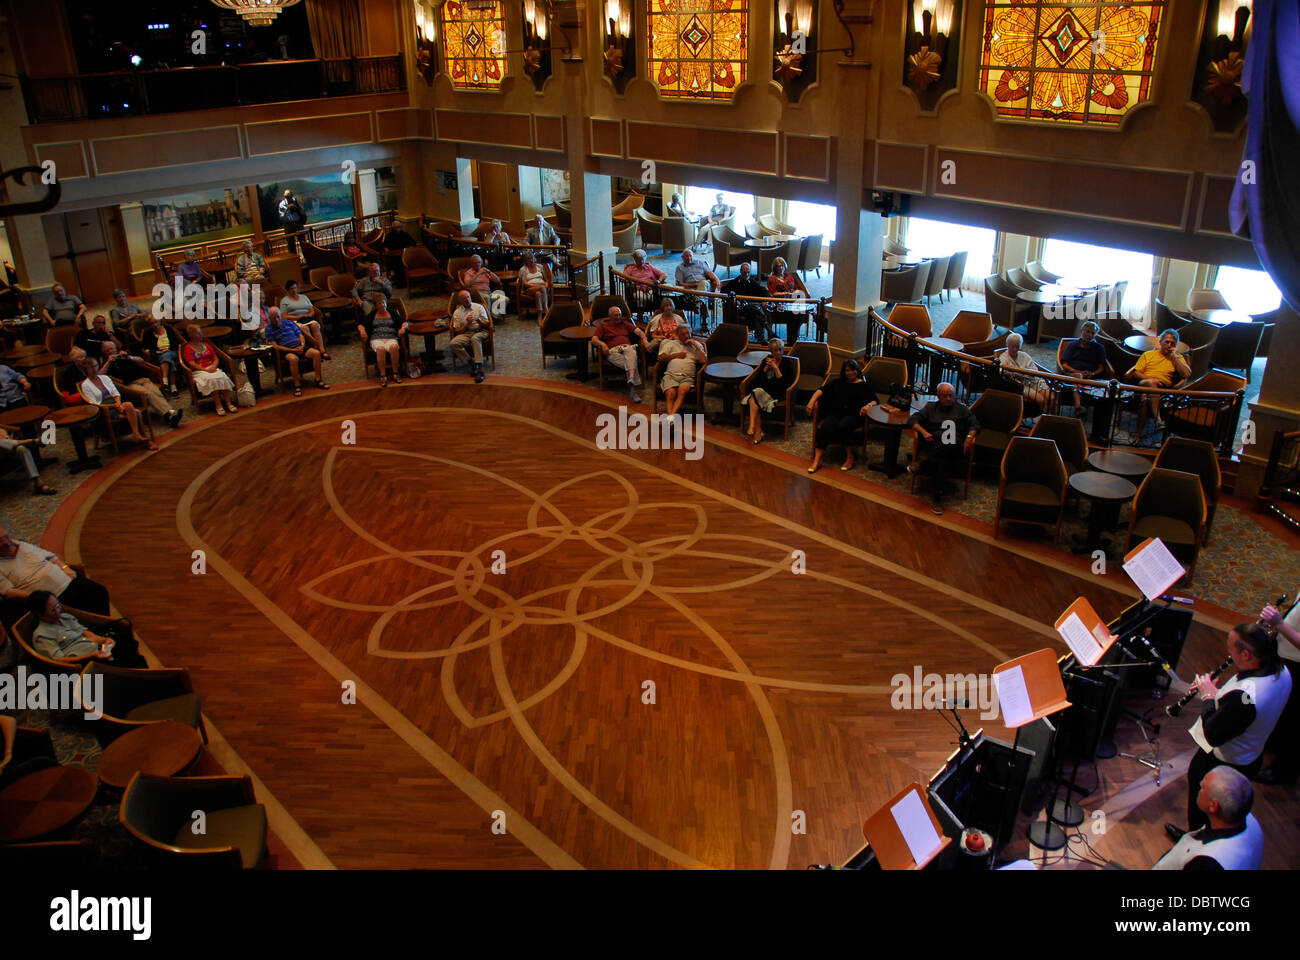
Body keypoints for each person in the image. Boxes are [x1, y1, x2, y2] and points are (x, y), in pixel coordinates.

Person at [1166, 622, 1291, 840]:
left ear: (1246, 654)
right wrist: (1218, 693)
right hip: (1252, 754)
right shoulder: (1282, 670)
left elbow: (1213, 733)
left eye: (1230, 648)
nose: (1228, 652)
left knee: (1205, 809)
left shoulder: (1246, 698)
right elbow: (1240, 712)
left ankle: (1195, 840)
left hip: (1224, 762)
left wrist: (1207, 696)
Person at [1153, 767, 1263, 870]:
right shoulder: (1247, 819)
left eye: (1203, 788)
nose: (1199, 785)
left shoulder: (1207, 862)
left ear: (1213, 806)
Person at [0, 527, 111, 626]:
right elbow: (8, 592)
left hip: (67, 579)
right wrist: (37, 595)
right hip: (52, 598)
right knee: (84, 613)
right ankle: (98, 630)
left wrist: (65, 568)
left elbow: (51, 557)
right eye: (1, 540)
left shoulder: (21, 545)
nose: (7, 542)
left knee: (99, 592)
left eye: (6, 536)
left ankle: (105, 626)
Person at [907, 381, 978, 515]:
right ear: (939, 396)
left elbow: (974, 424)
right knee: (941, 461)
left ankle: (923, 464)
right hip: (936, 443)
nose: (949, 399)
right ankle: (937, 497)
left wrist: (969, 438)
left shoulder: (961, 408)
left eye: (951, 395)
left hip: (956, 443)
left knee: (946, 447)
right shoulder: (930, 408)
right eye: (945, 396)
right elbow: (912, 420)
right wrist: (924, 432)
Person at [26, 589, 145, 668]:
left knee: (126, 642)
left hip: (96, 649)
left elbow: (86, 633)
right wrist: (92, 655)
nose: (58, 611)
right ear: (40, 614)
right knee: (130, 660)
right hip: (84, 662)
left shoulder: (65, 618)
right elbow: (60, 660)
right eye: (52, 610)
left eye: (58, 605)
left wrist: (103, 640)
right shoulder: (42, 635)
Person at [1256, 600, 1300, 784]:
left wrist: (1279, 624)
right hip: (1286, 656)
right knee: (1280, 713)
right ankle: (1273, 747)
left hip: (1297, 664)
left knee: (1292, 722)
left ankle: (1283, 772)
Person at [806, 359, 873, 474]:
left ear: (857, 370)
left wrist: (868, 405)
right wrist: (811, 402)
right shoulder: (838, 382)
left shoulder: (863, 385)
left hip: (854, 415)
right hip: (836, 413)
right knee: (826, 426)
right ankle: (817, 460)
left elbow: (874, 400)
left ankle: (849, 457)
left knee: (844, 426)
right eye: (847, 370)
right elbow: (821, 390)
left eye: (853, 370)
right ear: (844, 372)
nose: (850, 373)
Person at [77, 356, 156, 449]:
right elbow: (93, 403)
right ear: (86, 370)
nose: (94, 369)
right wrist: (113, 405)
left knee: (128, 405)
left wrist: (118, 403)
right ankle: (145, 441)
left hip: (117, 405)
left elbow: (115, 393)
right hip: (104, 409)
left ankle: (138, 436)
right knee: (136, 412)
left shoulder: (104, 378)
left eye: (95, 366)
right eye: (91, 368)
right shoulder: (85, 385)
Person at [100, 341, 182, 429]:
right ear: (104, 352)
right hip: (129, 384)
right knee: (148, 393)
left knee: (155, 391)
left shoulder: (123, 355)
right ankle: (169, 413)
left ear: (115, 348)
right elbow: (100, 375)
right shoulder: (106, 362)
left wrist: (129, 357)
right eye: (107, 350)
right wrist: (108, 362)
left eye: (111, 349)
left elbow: (141, 360)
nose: (110, 351)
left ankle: (169, 415)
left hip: (143, 379)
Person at [1126, 328, 1191, 436]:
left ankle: (1137, 435)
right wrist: (1151, 380)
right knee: (1150, 384)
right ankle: (1157, 419)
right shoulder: (1148, 354)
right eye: (1167, 342)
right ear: (1161, 342)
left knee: (1145, 399)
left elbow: (1187, 374)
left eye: (1172, 344)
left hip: (1163, 388)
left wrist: (1176, 358)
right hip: (1144, 382)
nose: (1169, 345)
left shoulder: (1177, 358)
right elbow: (1137, 373)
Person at [742, 338, 796, 445]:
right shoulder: (766, 361)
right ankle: (758, 431)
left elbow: (785, 385)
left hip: (778, 393)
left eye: (780, 350)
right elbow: (758, 381)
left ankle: (753, 426)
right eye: (775, 350)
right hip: (764, 391)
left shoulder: (787, 363)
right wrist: (766, 368)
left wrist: (776, 368)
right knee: (756, 395)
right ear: (771, 351)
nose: (778, 353)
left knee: (754, 397)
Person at [266, 307, 328, 396]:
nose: (276, 319)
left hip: (299, 347)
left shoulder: (289, 322)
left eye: (278, 317)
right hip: (286, 351)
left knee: (316, 353)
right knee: (293, 359)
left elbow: (300, 335)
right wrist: (291, 350)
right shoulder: (269, 329)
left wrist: (302, 345)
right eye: (273, 318)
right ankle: (297, 385)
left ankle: (318, 380)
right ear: (270, 318)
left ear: (280, 316)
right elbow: (275, 345)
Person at [594, 305, 647, 403]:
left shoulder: (625, 323)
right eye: (615, 315)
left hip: (627, 348)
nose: (618, 317)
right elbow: (594, 339)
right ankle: (632, 380)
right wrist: (602, 344)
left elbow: (639, 332)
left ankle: (632, 389)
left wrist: (645, 340)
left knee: (630, 350)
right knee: (632, 362)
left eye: (619, 315)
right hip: (613, 351)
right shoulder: (603, 325)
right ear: (610, 316)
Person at [181, 325, 237, 416]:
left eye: (201, 332)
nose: (201, 334)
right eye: (198, 333)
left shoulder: (206, 345)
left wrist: (213, 366)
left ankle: (228, 403)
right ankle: (218, 405)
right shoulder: (188, 348)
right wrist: (205, 370)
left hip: (211, 368)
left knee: (222, 376)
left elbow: (215, 358)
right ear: (192, 335)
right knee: (211, 379)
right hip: (199, 371)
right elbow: (191, 364)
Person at [655, 325, 706, 419]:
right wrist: (676, 355)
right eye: (683, 334)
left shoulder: (697, 345)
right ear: (678, 335)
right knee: (670, 393)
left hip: (687, 375)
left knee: (683, 391)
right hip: (671, 374)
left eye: (688, 333)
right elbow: (660, 358)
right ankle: (671, 417)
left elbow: (703, 361)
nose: (686, 336)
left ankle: (670, 417)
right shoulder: (671, 344)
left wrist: (695, 345)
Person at [359, 295, 408, 388]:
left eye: (383, 302)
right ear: (376, 305)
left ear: (386, 303)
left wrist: (402, 328)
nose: (382, 305)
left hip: (391, 337)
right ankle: (383, 375)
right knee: (380, 349)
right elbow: (361, 325)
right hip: (376, 339)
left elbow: (404, 322)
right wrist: (362, 331)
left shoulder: (392, 313)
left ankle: (395, 373)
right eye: (379, 303)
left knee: (394, 347)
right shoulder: (372, 315)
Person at [998, 332, 1050, 410]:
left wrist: (1018, 374)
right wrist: (1020, 375)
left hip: (1033, 380)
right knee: (1041, 400)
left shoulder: (1024, 355)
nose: (1015, 349)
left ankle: (1048, 417)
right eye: (1012, 347)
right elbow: (1002, 372)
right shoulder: (1003, 358)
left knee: (1051, 398)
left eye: (1017, 346)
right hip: (1020, 385)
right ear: (1007, 345)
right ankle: (1045, 418)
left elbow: (1034, 371)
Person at [449, 289, 491, 383]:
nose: (467, 300)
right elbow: (457, 330)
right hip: (466, 333)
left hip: (480, 331)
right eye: (464, 298)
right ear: (460, 301)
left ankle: (480, 369)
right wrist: (467, 324)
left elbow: (487, 325)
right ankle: (471, 363)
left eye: (468, 297)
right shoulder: (457, 312)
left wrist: (479, 320)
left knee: (475, 338)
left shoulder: (479, 307)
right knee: (453, 343)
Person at [0, 425, 56, 495]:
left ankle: (38, 483)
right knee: (1, 442)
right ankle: (33, 441)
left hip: (6, 448)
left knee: (21, 449)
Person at [278, 280, 327, 355]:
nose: (294, 290)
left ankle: (322, 350)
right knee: (305, 328)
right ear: (288, 290)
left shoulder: (304, 297)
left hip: (307, 318)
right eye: (291, 288)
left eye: (295, 288)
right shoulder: (284, 300)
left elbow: (312, 310)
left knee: (315, 326)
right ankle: (315, 349)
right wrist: (298, 317)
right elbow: (284, 316)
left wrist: (309, 315)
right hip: (295, 320)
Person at [722, 261, 769, 340]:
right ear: (740, 271)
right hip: (739, 308)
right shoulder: (734, 282)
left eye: (748, 272)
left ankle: (760, 337)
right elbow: (723, 290)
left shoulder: (751, 282)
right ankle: (766, 327)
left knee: (754, 311)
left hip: (751, 309)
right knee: (756, 308)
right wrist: (733, 297)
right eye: (744, 273)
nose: (746, 275)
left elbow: (764, 291)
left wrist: (765, 300)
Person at [673, 249, 719, 327]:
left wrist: (716, 279)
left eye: (690, 255)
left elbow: (710, 273)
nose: (689, 258)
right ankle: (704, 320)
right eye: (687, 256)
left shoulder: (700, 263)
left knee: (703, 284)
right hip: (690, 289)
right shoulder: (680, 268)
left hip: (704, 285)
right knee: (703, 297)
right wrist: (694, 285)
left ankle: (698, 304)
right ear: (682, 257)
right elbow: (679, 283)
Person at [138, 315, 181, 397]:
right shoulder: (147, 334)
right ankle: (173, 388)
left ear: (159, 321)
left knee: (166, 356)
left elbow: (176, 343)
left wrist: (168, 349)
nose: (154, 325)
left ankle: (165, 382)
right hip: (158, 354)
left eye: (156, 322)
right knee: (167, 359)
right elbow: (144, 347)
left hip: (172, 351)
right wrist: (158, 351)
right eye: (152, 324)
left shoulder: (168, 329)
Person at [624, 250, 666, 318]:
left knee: (653, 297)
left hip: (650, 288)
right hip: (637, 289)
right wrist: (631, 282)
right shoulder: (630, 269)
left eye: (642, 260)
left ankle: (656, 316)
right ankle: (640, 315)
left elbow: (663, 274)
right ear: (635, 260)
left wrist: (659, 280)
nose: (641, 262)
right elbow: (623, 277)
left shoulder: (649, 267)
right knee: (641, 297)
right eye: (639, 260)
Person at [645, 299, 684, 365]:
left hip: (675, 340)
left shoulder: (678, 318)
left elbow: (684, 332)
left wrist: (676, 337)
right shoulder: (657, 318)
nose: (669, 308)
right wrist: (661, 337)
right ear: (663, 307)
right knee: (655, 345)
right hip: (661, 340)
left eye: (670, 305)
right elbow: (653, 335)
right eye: (666, 306)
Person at [516, 250, 550, 325]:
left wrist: (546, 284)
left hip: (540, 289)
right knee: (541, 288)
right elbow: (524, 283)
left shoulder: (540, 267)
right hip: (528, 290)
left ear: (534, 258)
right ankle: (546, 309)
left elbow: (546, 280)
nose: (531, 260)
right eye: (529, 259)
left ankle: (539, 317)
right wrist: (538, 286)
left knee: (538, 294)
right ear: (526, 261)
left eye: (532, 258)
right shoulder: (523, 269)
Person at [381, 216, 415, 285]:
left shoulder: (405, 234)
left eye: (398, 227)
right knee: (397, 263)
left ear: (400, 227)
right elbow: (385, 246)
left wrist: (407, 249)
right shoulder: (389, 236)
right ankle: (400, 281)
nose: (397, 229)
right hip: (393, 256)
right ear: (393, 228)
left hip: (405, 254)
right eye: (395, 227)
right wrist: (388, 251)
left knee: (403, 261)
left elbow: (413, 243)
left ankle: (405, 280)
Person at [278, 189, 306, 256]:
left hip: (298, 223)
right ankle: (295, 259)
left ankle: (306, 257)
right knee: (291, 243)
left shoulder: (296, 201)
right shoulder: (282, 204)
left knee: (303, 241)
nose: (288, 198)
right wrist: (287, 208)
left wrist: (296, 208)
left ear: (292, 195)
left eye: (289, 196)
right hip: (288, 225)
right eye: (286, 197)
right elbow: (281, 216)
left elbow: (302, 210)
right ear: (284, 197)